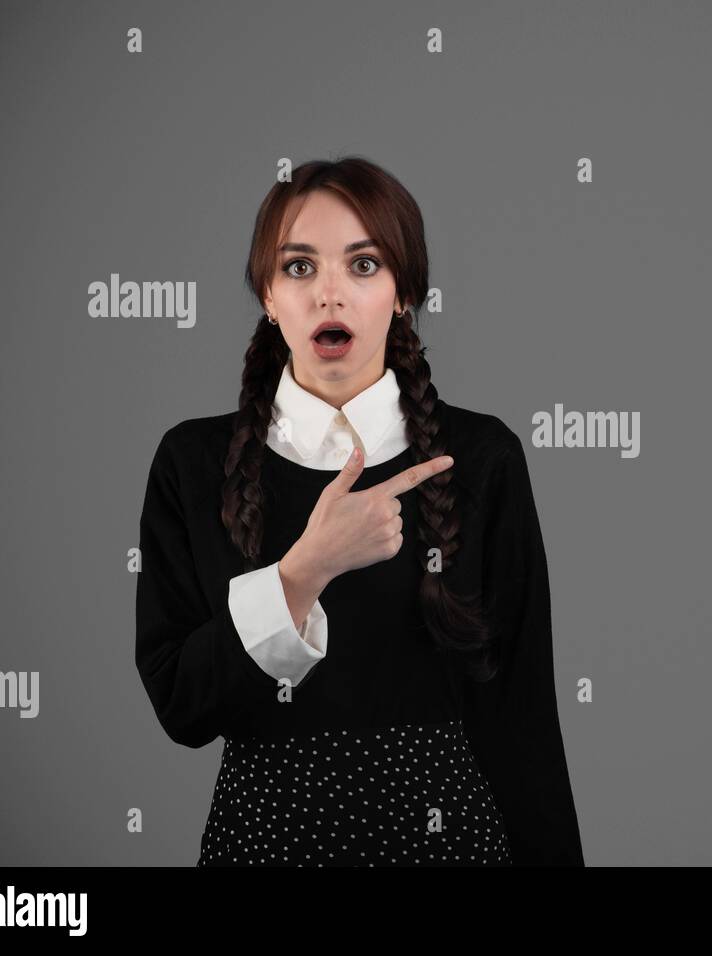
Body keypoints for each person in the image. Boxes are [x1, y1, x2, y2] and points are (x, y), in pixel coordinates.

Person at [134, 156, 584, 867]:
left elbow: (520, 721)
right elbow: (183, 707)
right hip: (264, 846)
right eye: (300, 268)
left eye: (364, 265)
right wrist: (305, 571)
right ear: (268, 296)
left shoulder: (482, 457)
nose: (330, 294)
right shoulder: (191, 462)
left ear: (405, 293)